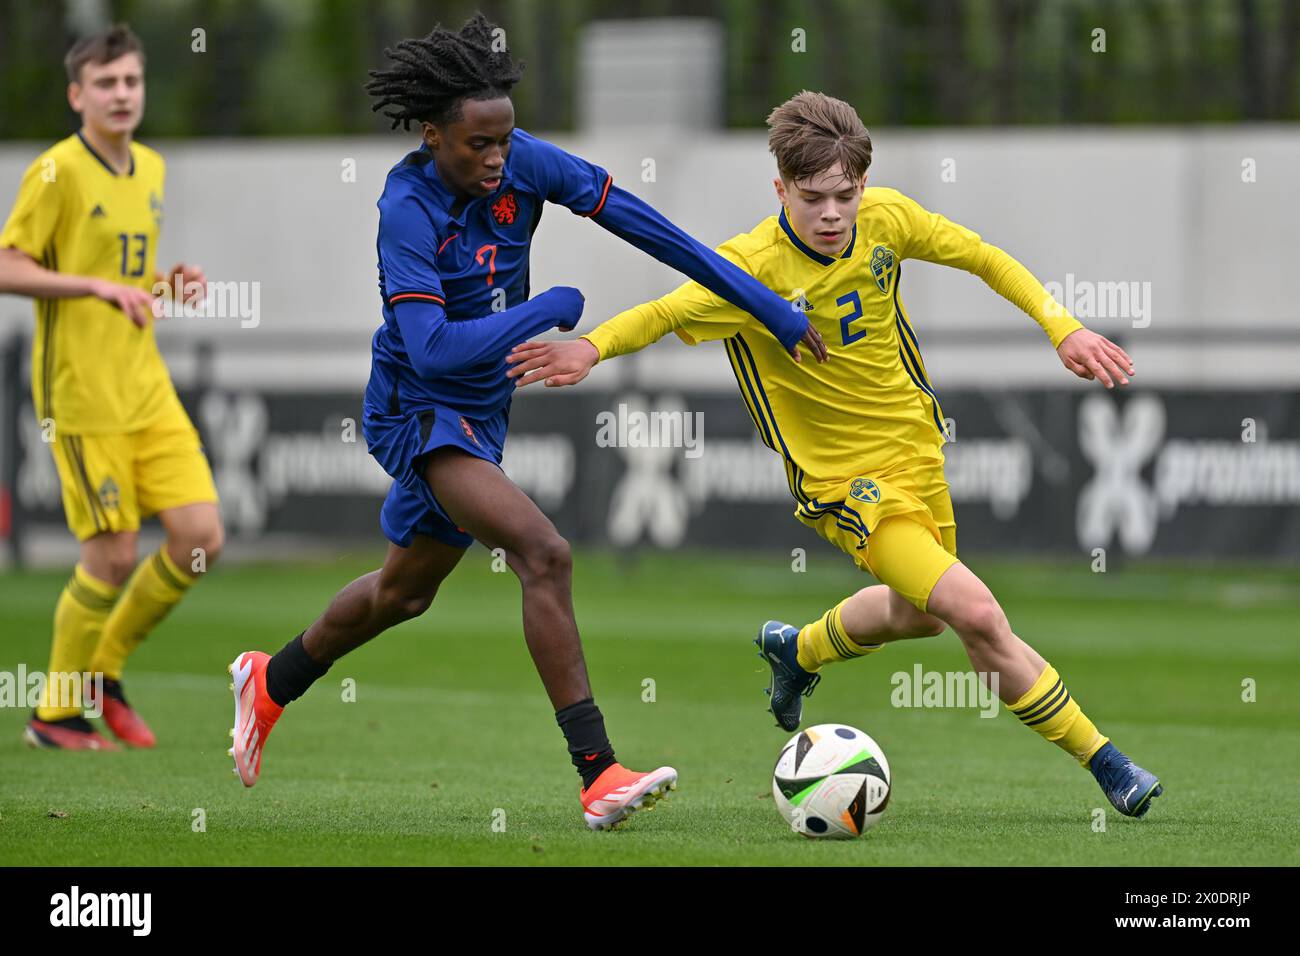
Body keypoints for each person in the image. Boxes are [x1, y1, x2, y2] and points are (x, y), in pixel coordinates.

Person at [227, 15, 826, 832]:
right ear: (434, 136)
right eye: (478, 144)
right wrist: (547, 308)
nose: (498, 158)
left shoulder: (521, 161)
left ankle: (270, 680)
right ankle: (598, 772)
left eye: (505, 140)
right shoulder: (406, 209)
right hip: (418, 408)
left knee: (402, 595)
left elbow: (658, 234)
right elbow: (431, 351)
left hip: (481, 407)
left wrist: (773, 313)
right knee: (544, 552)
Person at [505, 90, 1163, 819]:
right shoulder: (748, 270)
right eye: (811, 197)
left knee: (924, 618)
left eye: (844, 195)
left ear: (862, 186)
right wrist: (591, 347)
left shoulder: (886, 220)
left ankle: (800, 651)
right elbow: (665, 311)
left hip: (918, 456)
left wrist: (1061, 327)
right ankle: (1107, 762)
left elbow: (981, 256)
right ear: (780, 188)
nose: (830, 214)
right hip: (844, 488)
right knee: (977, 614)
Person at [0, 24, 221, 751]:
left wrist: (169, 285)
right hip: (81, 393)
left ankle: (104, 668)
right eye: (105, 83)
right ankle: (53, 713)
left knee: (198, 538)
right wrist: (89, 284)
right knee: (113, 554)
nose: (121, 94)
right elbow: (9, 265)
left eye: (130, 81)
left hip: (144, 384)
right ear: (77, 95)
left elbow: (126, 281)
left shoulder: (152, 168)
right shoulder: (56, 171)